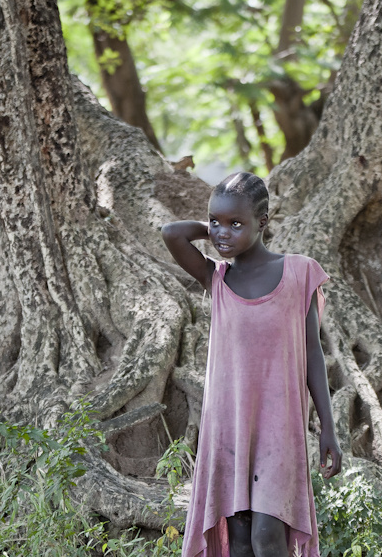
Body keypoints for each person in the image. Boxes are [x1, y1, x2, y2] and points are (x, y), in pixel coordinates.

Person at [162, 171, 342, 557]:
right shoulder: (217, 277)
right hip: (229, 428)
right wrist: (212, 229)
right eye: (215, 222)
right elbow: (171, 233)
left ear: (263, 222)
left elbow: (313, 354)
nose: (222, 233)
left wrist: (328, 427)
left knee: (267, 537)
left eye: (235, 224)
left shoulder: (298, 272)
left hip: (280, 428)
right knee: (240, 543)